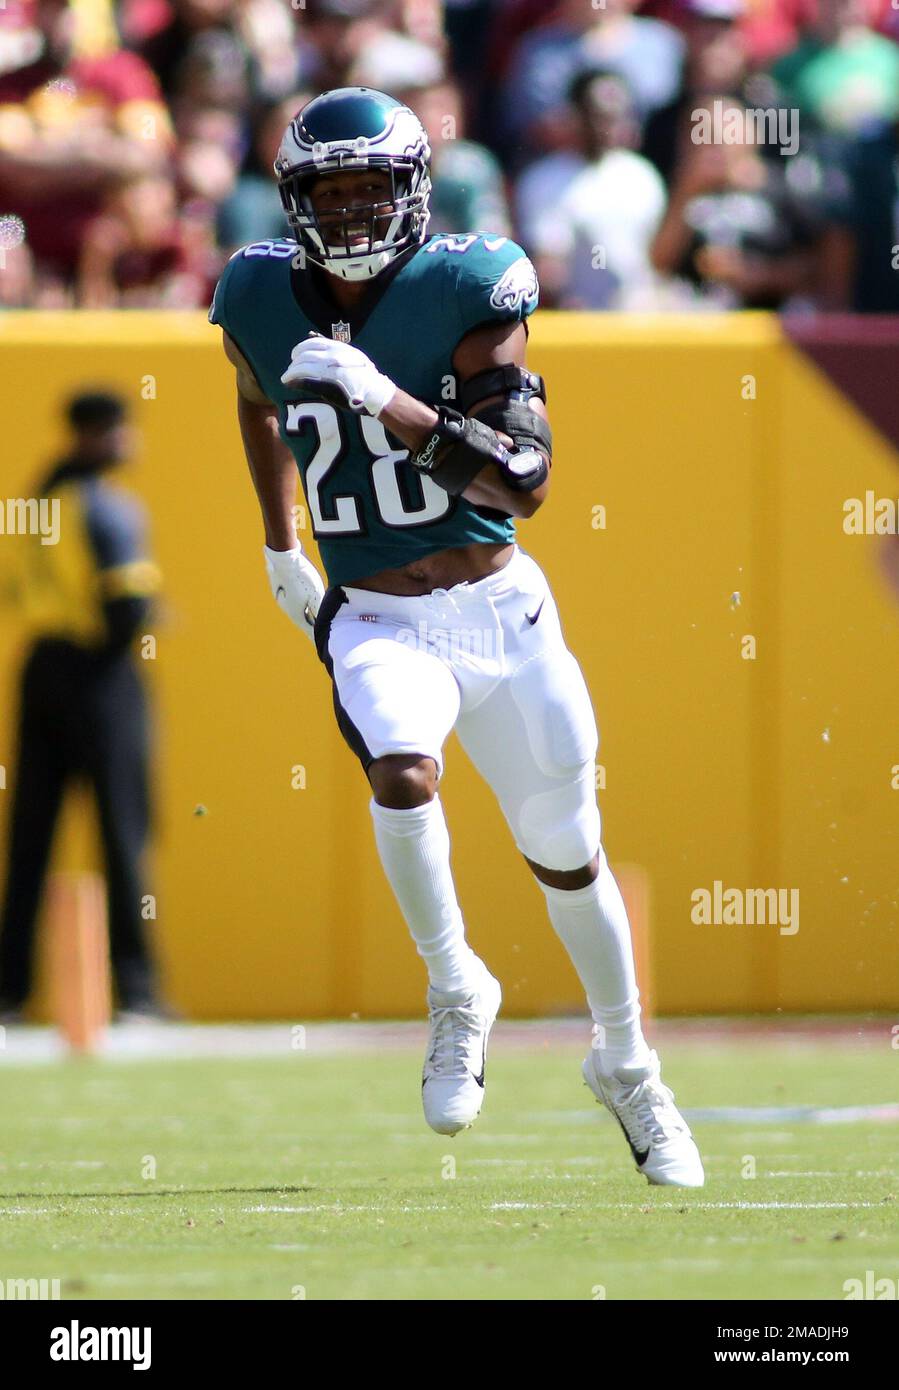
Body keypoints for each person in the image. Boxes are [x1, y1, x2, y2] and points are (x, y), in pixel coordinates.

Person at [210, 86, 704, 1186]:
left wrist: (388, 399)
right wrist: (277, 543)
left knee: (567, 856)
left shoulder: (467, 285)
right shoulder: (253, 289)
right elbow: (251, 393)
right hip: (378, 611)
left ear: (413, 191)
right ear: (292, 200)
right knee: (399, 766)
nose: (344, 215)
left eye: (364, 191)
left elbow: (521, 480)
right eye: (323, 194)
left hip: (501, 611)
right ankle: (454, 984)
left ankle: (625, 1065)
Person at [0, 391, 166, 1023]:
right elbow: (128, 604)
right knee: (123, 831)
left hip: (40, 667)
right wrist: (147, 621)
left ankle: (11, 991)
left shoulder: (35, 498)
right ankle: (138, 995)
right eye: (123, 429)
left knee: (29, 834)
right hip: (101, 674)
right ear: (101, 434)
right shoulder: (105, 505)